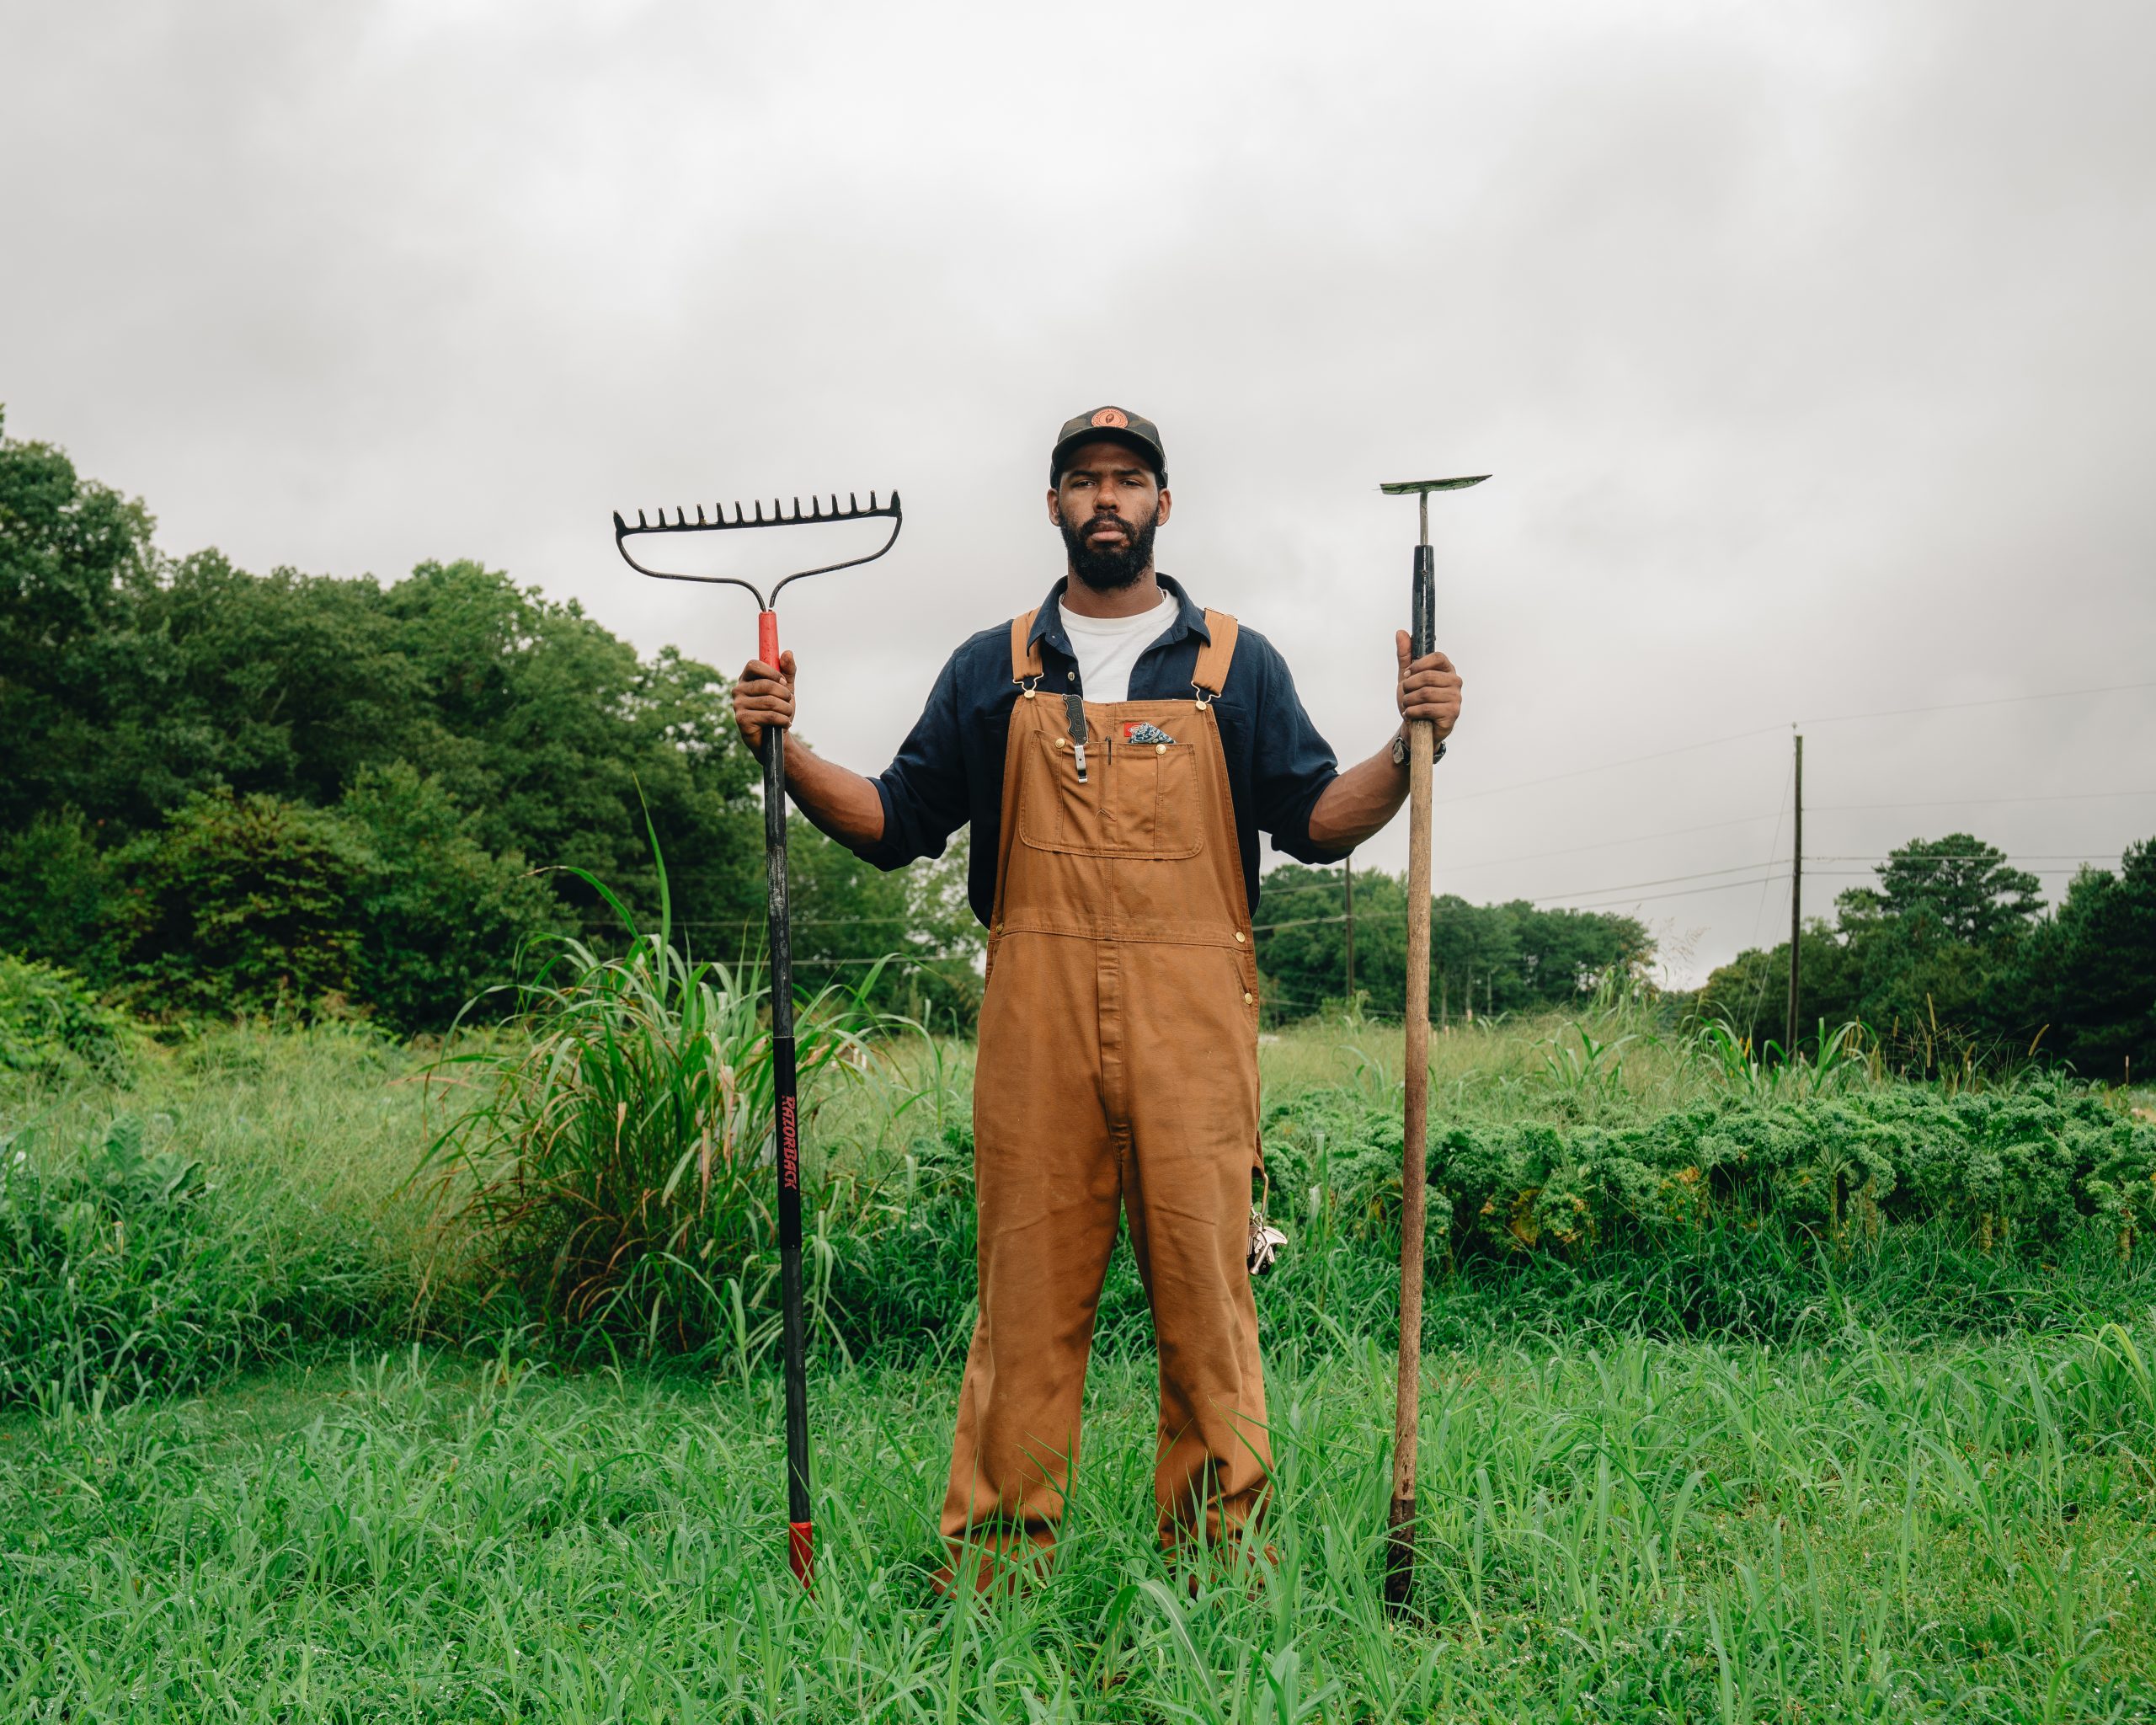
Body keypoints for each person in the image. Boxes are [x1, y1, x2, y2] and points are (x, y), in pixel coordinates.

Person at [731, 406, 1465, 1588]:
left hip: (1194, 1023)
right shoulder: (992, 663)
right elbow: (896, 822)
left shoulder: (1236, 662)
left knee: (1208, 1301)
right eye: (1084, 481)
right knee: (1023, 1307)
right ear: (1057, 506)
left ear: (1164, 504)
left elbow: (1319, 821)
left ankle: (1219, 1570)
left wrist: (1411, 739)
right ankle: (994, 1575)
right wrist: (785, 748)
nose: (1107, 499)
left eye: (1129, 480)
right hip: (1037, 1019)